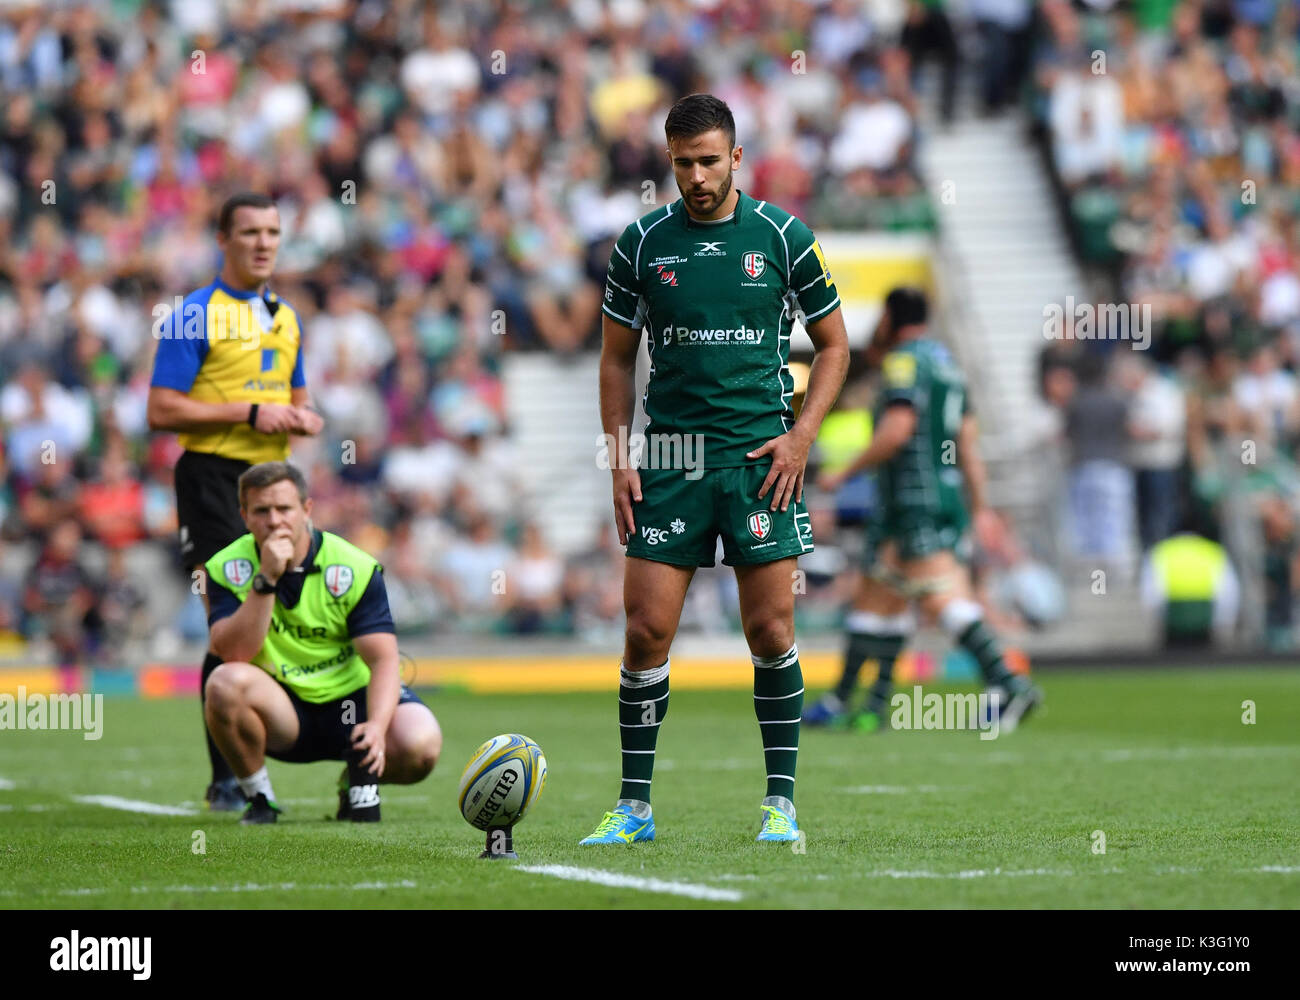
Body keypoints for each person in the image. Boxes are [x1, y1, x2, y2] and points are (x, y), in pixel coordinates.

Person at [584, 94, 850, 845]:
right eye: (683, 164)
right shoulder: (641, 243)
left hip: (759, 458)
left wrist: (801, 438)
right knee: (646, 631)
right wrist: (618, 457)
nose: (697, 177)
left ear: (736, 157)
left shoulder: (785, 237)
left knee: (769, 628)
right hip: (671, 458)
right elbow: (615, 359)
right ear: (668, 163)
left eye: (709, 161)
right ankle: (634, 808)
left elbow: (836, 345)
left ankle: (780, 806)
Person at [147, 192, 324, 812]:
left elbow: (297, 399)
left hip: (274, 483)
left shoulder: (287, 317)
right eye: (249, 232)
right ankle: (228, 778)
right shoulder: (193, 315)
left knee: (268, 617)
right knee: (228, 622)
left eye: (272, 231)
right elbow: (160, 408)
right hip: (213, 480)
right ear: (222, 240)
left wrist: (305, 417)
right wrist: (247, 412)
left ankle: (279, 752)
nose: (263, 243)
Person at [807, 287, 1043, 732]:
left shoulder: (904, 362)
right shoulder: (948, 365)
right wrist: (979, 506)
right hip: (938, 496)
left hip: (912, 498)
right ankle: (860, 703)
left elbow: (898, 429)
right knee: (878, 595)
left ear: (890, 317)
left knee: (939, 597)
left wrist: (844, 473)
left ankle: (1008, 682)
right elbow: (967, 443)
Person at [202, 461, 442, 824]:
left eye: (284, 508)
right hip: (283, 711)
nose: (274, 521)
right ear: (244, 516)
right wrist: (266, 579)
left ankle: (352, 781)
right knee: (222, 682)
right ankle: (260, 799)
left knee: (422, 744)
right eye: (262, 511)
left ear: (306, 509)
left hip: (354, 704)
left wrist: (377, 727)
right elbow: (233, 653)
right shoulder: (224, 568)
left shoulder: (354, 567)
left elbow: (383, 660)